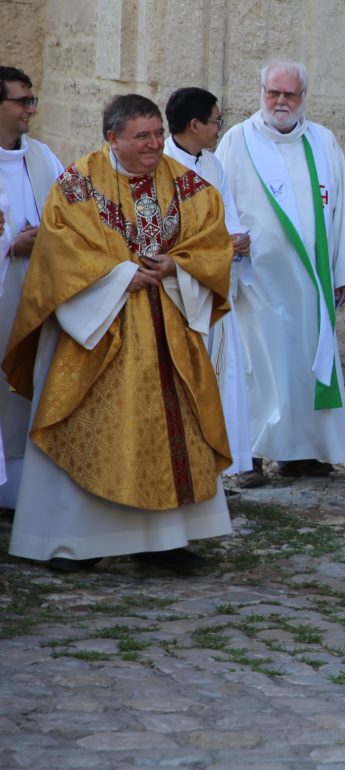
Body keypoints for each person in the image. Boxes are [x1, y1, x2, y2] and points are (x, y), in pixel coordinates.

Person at [5, 94, 233, 574]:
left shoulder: (186, 184)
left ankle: (164, 542)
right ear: (112, 138)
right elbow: (59, 252)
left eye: (157, 134)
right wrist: (119, 276)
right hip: (96, 331)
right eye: (141, 136)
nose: (154, 145)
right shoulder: (77, 185)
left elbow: (213, 241)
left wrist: (177, 265)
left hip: (167, 329)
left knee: (168, 432)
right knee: (91, 428)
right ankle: (75, 543)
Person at [217, 59, 345, 480]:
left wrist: (344, 270)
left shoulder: (322, 141)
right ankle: (250, 457)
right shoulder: (238, 140)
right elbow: (217, 202)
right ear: (261, 93)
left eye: (290, 94)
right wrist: (228, 251)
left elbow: (341, 209)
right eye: (273, 93)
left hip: (310, 281)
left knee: (304, 366)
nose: (281, 102)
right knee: (259, 367)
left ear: (303, 97)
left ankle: (301, 452)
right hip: (256, 280)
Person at [164, 86, 255, 479]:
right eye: (216, 121)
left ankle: (219, 468)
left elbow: (228, 216)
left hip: (215, 289)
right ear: (195, 125)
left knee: (223, 376)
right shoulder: (162, 166)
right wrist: (220, 246)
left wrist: (240, 241)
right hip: (180, 293)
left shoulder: (214, 165)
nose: (220, 129)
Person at [0, 65, 62, 507]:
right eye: (22, 101)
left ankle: (22, 491)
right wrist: (9, 246)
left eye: (32, 100)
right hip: (4, 289)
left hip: (37, 291)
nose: (31, 110)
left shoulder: (42, 157)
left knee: (30, 385)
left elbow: (71, 210)